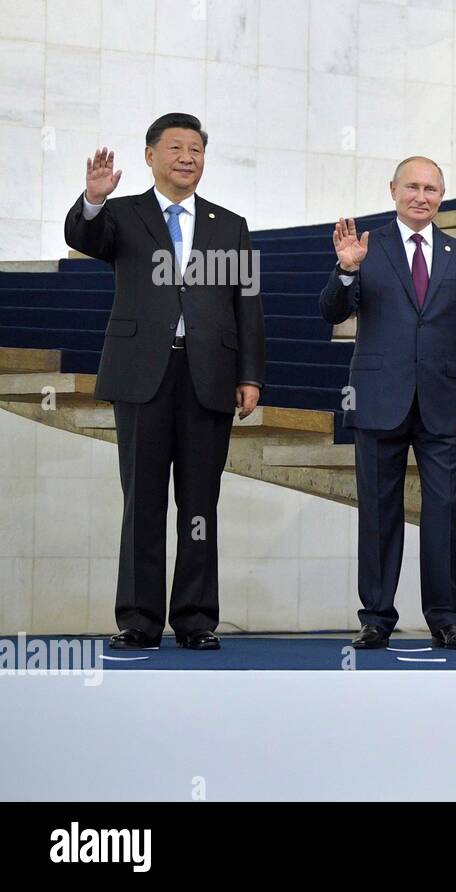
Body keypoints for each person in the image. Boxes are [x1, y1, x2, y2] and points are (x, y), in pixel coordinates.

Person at [65, 112, 266, 651]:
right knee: (143, 500)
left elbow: (247, 304)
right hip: (141, 373)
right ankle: (138, 618)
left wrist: (250, 375)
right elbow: (84, 237)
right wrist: (93, 198)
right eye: (175, 147)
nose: (187, 157)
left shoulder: (230, 224)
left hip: (209, 376)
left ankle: (197, 619)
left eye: (196, 149)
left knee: (200, 503)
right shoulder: (123, 215)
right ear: (151, 155)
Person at [322, 157, 456, 651]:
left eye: (432, 188)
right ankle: (376, 617)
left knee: (444, 512)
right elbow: (331, 312)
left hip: (443, 404)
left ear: (442, 195)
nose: (422, 196)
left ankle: (445, 618)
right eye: (413, 187)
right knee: (378, 511)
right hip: (378, 399)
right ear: (393, 189)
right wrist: (346, 270)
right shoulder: (364, 247)